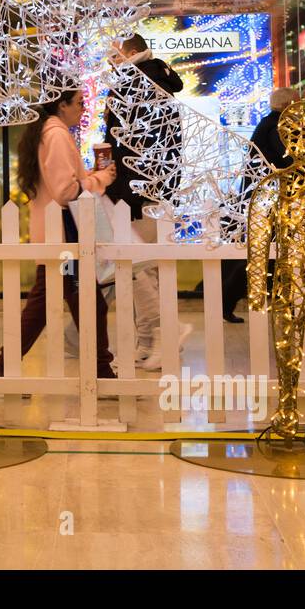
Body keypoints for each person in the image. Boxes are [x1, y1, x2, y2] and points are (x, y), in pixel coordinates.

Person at [0, 89, 118, 378]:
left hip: (59, 238)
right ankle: (101, 371)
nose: (83, 109)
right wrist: (101, 178)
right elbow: (66, 191)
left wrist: (88, 175)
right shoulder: (56, 134)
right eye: (80, 103)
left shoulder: (47, 132)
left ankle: (3, 368)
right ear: (62, 105)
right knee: (85, 303)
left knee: (59, 303)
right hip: (65, 240)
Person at [102, 35, 183, 369]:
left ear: (133, 52)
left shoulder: (137, 82)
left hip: (136, 188)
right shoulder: (156, 80)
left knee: (140, 269)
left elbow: (125, 138)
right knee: (146, 268)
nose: (112, 59)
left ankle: (162, 339)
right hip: (154, 187)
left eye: (117, 53)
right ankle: (148, 342)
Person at [221, 86, 298, 321]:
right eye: (297, 102)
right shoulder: (277, 127)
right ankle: (228, 301)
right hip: (268, 198)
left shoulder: (268, 123)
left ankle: (275, 300)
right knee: (264, 252)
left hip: (263, 197)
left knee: (267, 251)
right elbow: (286, 157)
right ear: (287, 106)